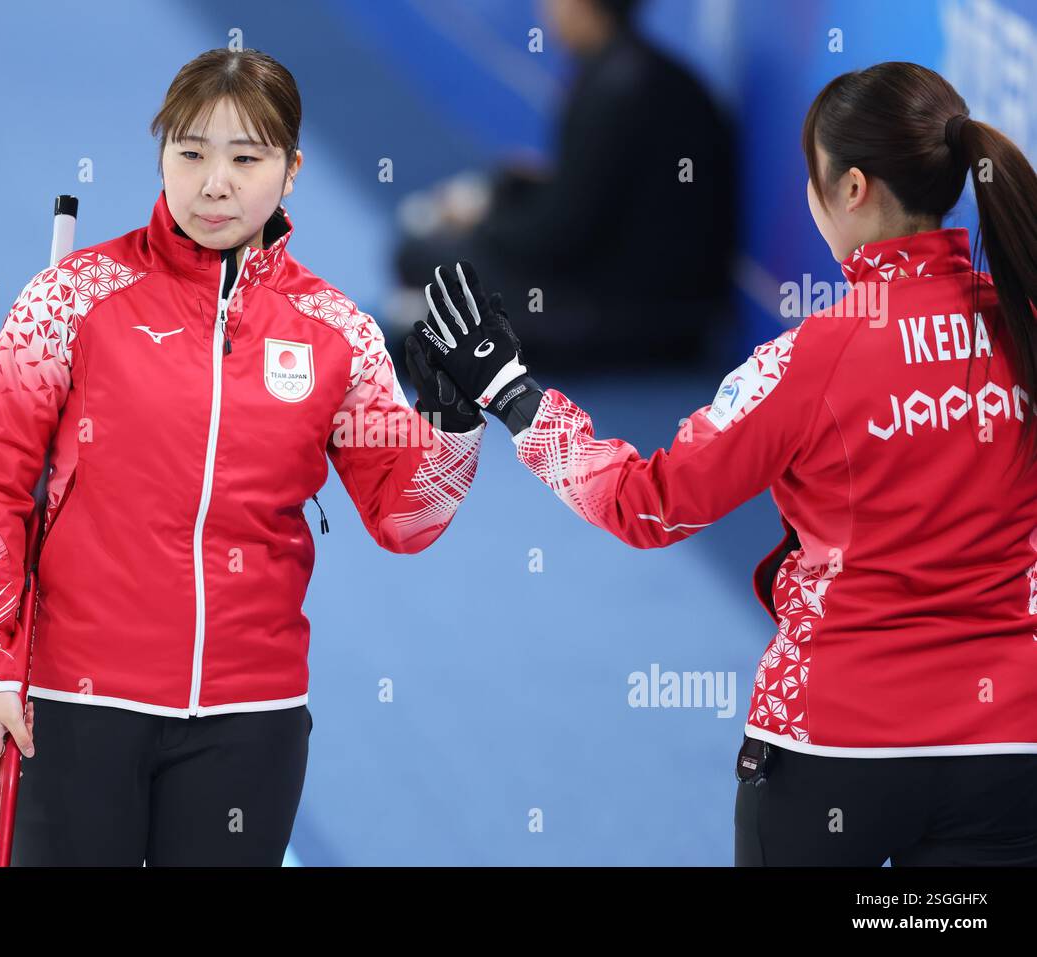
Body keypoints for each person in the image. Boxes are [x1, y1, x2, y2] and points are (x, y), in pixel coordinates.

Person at [411, 61, 1037, 866]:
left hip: (835, 749)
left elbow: (646, 504)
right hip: (1011, 748)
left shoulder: (808, 361)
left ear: (850, 190)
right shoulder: (1021, 327)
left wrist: (508, 389)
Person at [0, 48, 487, 866]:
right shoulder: (69, 299)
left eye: (247, 158)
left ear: (292, 169)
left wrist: (453, 424)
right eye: (190, 151)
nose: (214, 183)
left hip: (251, 719)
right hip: (74, 700)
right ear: (161, 151)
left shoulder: (334, 331)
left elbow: (405, 517)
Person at [393, 0, 737, 373]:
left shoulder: (615, 88)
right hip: (663, 302)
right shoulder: (644, 73)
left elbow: (556, 236)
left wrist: (481, 222)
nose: (545, 9)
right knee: (437, 272)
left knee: (424, 258)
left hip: (633, 316)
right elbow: (596, 202)